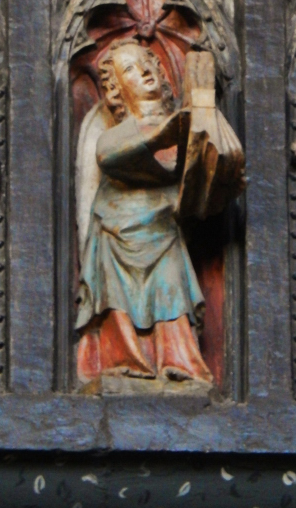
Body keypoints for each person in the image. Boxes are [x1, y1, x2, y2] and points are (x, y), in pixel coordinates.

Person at [75, 39, 225, 385]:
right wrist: (162, 134)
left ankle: (177, 360)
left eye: (147, 61)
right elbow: (108, 155)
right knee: (116, 296)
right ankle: (123, 359)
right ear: (116, 90)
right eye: (129, 69)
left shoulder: (184, 125)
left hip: (164, 230)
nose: (143, 70)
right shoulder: (117, 132)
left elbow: (199, 190)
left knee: (170, 286)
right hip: (115, 229)